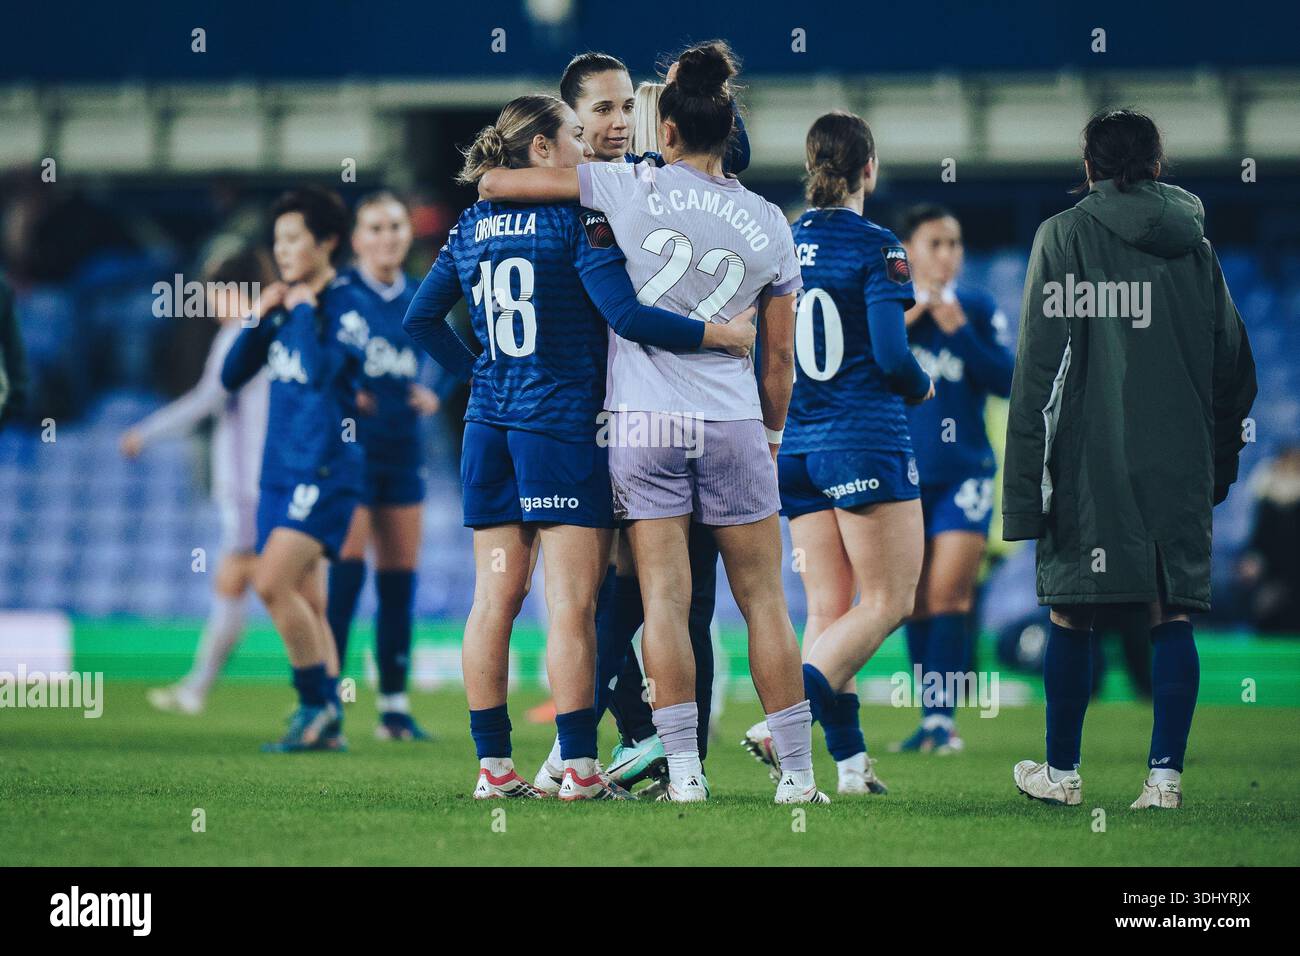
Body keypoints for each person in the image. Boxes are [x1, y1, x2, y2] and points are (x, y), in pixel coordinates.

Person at [479, 41, 829, 804]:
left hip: (641, 426)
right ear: (728, 126)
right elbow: (779, 361)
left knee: (661, 602)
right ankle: (799, 777)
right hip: (733, 422)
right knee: (764, 600)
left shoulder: (625, 185)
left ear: (661, 131)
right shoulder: (771, 219)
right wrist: (772, 435)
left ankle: (686, 775)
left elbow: (499, 179)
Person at [403, 93, 755, 800]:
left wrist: (484, 373)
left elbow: (420, 320)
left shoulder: (470, 224)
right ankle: (579, 767)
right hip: (561, 427)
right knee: (570, 603)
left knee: (492, 600)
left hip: (488, 429)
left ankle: (494, 769)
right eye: (573, 134)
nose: (586, 145)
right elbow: (624, 313)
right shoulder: (578, 221)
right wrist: (718, 335)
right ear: (542, 150)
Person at [1004, 109, 1257, 809]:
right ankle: (1164, 780)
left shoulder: (1063, 236)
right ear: (1156, 163)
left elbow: (1037, 374)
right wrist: (1221, 460)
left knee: (1071, 613)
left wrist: (1025, 490)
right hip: (1176, 465)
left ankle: (1060, 776)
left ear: (1088, 165)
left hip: (1089, 463)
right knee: (1169, 613)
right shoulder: (1196, 249)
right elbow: (1235, 368)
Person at [555, 51, 752, 790]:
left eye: (623, 107)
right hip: (591, 417)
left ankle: (672, 755)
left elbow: (736, 148)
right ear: (571, 118)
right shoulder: (575, 195)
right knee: (604, 593)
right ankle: (632, 738)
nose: (614, 123)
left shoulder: (659, 183)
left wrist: (686, 100)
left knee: (682, 594)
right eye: (599, 111)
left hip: (666, 412)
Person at [739, 112, 934, 795]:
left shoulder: (781, 242)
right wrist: (922, 383)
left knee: (829, 612)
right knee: (886, 601)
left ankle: (849, 767)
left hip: (797, 446)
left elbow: (765, 348)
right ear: (868, 169)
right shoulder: (879, 247)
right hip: (864, 441)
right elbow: (890, 353)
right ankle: (782, 727)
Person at [221, 187, 373, 753]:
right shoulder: (282, 309)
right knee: (307, 600)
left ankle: (316, 704)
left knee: (270, 582)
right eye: (278, 239)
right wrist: (258, 321)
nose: (282, 250)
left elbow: (314, 372)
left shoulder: (347, 305)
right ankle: (325, 721)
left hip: (327, 469)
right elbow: (231, 377)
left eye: (293, 239)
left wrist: (305, 310)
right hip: (278, 475)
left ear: (326, 242)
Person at [122, 248, 274, 715]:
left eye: (215, 293)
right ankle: (200, 687)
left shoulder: (240, 336)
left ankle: (201, 689)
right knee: (259, 584)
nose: (210, 306)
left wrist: (145, 433)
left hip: (248, 487)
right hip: (259, 484)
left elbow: (206, 400)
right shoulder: (266, 332)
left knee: (251, 584)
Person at [895, 205, 1014, 753]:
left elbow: (1008, 379)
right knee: (914, 603)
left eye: (955, 244)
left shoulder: (977, 307)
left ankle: (943, 721)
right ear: (908, 249)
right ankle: (929, 718)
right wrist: (909, 321)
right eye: (936, 243)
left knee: (949, 597)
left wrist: (959, 333)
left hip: (965, 471)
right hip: (903, 473)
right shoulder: (888, 309)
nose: (948, 255)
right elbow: (864, 371)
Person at [326, 192, 442, 742]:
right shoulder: (339, 296)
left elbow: (456, 355)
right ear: (355, 238)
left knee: (398, 583)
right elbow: (315, 362)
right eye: (375, 227)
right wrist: (347, 392)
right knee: (345, 579)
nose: (388, 236)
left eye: (396, 225)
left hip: (402, 453)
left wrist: (434, 390)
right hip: (350, 454)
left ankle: (394, 708)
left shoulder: (422, 296)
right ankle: (325, 700)